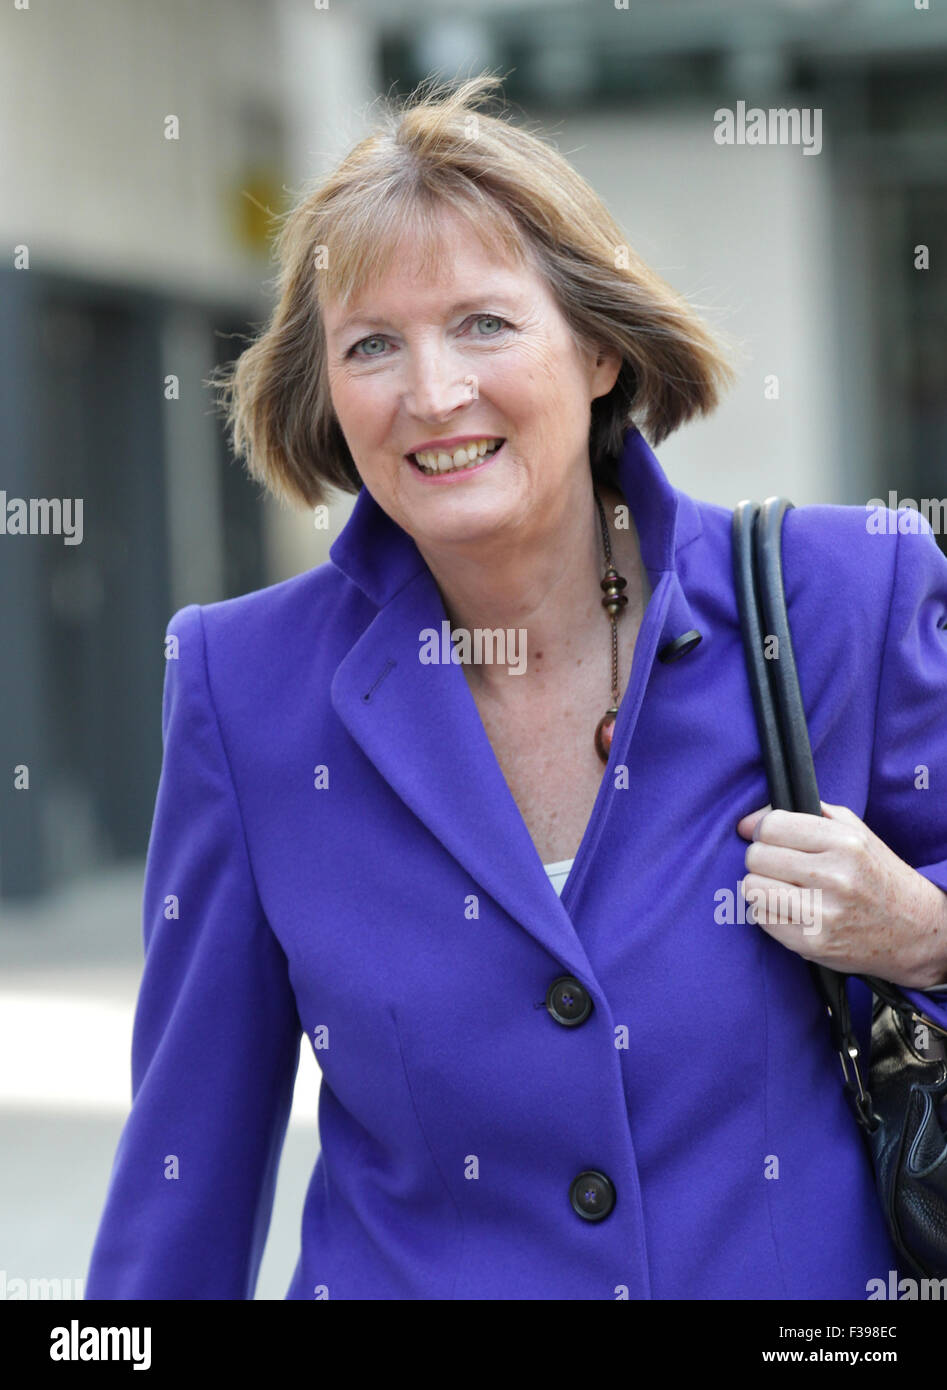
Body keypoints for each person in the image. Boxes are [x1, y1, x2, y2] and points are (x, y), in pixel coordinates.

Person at [85, 73, 947, 1301]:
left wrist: (920, 935)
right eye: (372, 344)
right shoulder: (244, 683)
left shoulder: (840, 602)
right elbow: (185, 1169)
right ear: (325, 389)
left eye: (482, 324)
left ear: (596, 347)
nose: (431, 394)